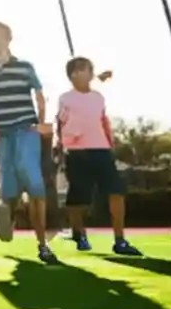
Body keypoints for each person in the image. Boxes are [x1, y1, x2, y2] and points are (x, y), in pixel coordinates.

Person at [0, 21, 59, 265]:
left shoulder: (25, 67)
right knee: (9, 182)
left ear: (8, 38)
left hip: (26, 129)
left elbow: (39, 96)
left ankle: (42, 244)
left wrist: (40, 123)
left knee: (30, 175)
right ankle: (8, 207)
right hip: (1, 135)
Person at [57, 57, 143, 256]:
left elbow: (103, 120)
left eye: (90, 70)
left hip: (102, 151)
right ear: (75, 74)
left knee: (116, 192)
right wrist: (61, 146)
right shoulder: (65, 98)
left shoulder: (98, 97)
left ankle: (120, 241)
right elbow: (60, 123)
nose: (90, 74)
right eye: (87, 70)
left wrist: (110, 143)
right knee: (78, 199)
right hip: (77, 153)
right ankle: (80, 235)